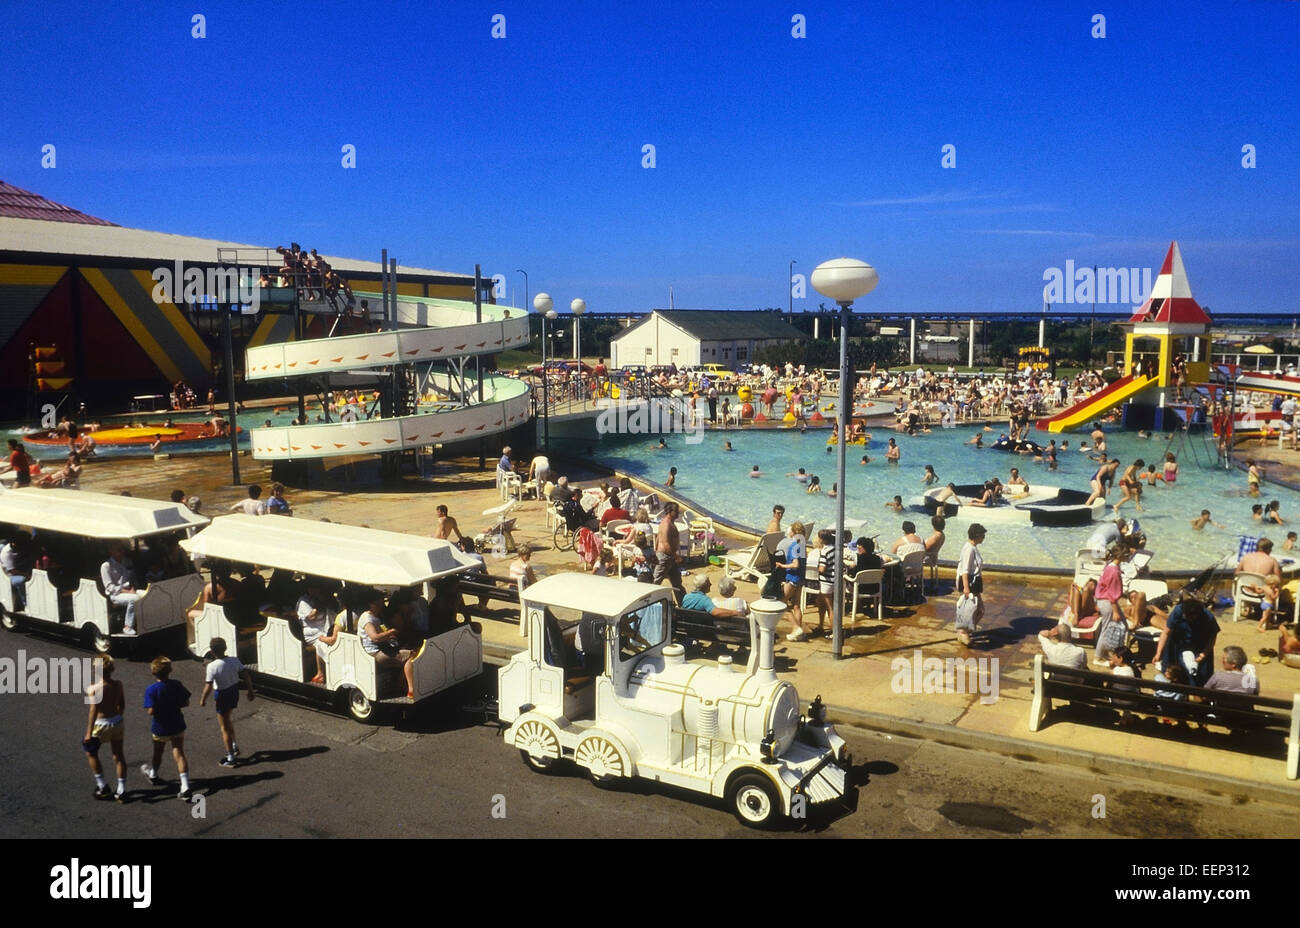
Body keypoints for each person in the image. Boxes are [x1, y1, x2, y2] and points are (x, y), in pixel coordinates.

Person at [141, 656, 193, 801]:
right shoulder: (176, 684)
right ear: (170, 671)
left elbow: (150, 711)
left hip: (160, 726)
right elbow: (186, 702)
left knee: (158, 752)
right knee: (179, 753)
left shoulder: (151, 690)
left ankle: (154, 774)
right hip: (177, 723)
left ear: (153, 672)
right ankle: (185, 785)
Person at [198, 637, 255, 767]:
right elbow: (246, 675)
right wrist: (250, 690)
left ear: (212, 652)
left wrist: (203, 699)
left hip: (222, 695)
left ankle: (230, 757)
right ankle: (234, 746)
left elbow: (208, 686)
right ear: (225, 648)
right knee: (228, 720)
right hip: (233, 692)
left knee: (224, 727)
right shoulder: (234, 660)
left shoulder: (212, 667)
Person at [357, 590, 417, 699]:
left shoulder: (376, 617)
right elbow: (375, 637)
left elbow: (381, 634)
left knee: (407, 648)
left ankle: (401, 683)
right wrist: (391, 632)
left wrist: (389, 636)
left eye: (381, 603)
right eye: (378, 603)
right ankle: (410, 689)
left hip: (382, 648)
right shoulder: (367, 618)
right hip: (374, 653)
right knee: (410, 655)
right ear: (371, 604)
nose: (381, 606)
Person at [83, 656, 127, 801]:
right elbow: (121, 704)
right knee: (118, 755)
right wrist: (117, 717)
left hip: (101, 724)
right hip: (116, 722)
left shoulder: (94, 689)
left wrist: (89, 732)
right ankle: (121, 789)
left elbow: (93, 711)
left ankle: (102, 786)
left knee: (91, 752)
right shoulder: (118, 684)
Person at [298, 581, 341, 684]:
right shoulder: (304, 601)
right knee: (321, 643)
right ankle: (320, 673)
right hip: (311, 633)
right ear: (308, 589)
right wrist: (320, 603)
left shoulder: (324, 598)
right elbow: (311, 617)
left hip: (325, 629)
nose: (316, 591)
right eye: (313, 588)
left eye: (317, 588)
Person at [954, 524, 987, 645]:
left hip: (974, 583)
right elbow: (965, 570)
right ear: (977, 536)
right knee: (974, 609)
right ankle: (964, 633)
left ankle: (964, 632)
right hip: (970, 584)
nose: (984, 538)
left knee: (978, 609)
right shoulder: (969, 549)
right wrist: (966, 588)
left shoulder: (971, 547)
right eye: (983, 535)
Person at [101, 541, 141, 635]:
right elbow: (110, 587)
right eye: (119, 550)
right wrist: (126, 591)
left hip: (127, 591)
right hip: (116, 595)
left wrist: (132, 588)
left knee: (145, 594)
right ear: (111, 551)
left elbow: (131, 578)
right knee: (134, 599)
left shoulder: (126, 561)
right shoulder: (106, 566)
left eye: (123, 550)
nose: (122, 552)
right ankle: (128, 627)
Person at [779, 522, 809, 640]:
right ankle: (797, 634)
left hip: (792, 578)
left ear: (794, 532)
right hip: (801, 578)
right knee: (796, 606)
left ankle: (796, 627)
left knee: (782, 603)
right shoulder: (802, 546)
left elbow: (795, 564)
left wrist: (782, 566)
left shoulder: (794, 546)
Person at [653, 503, 686, 602]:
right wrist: (676, 557)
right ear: (670, 511)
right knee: (655, 582)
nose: (678, 513)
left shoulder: (670, 522)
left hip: (669, 557)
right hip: (665, 557)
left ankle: (684, 605)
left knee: (677, 583)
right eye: (676, 511)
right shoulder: (666, 524)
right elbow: (666, 544)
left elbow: (658, 538)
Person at [1, 532, 32, 612]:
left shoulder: (22, 547)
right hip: (10, 575)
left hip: (22, 568)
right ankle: (26, 604)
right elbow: (12, 571)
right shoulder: (6, 553)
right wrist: (27, 575)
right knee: (20, 580)